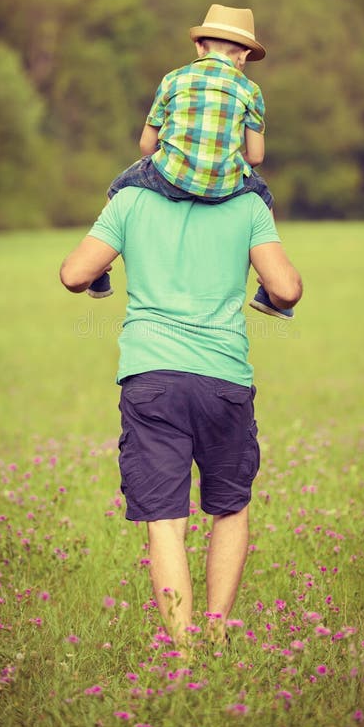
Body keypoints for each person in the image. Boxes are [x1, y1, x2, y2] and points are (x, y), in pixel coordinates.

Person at [60, 185, 302, 650]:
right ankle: (215, 634)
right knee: (230, 509)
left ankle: (184, 656)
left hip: (151, 378)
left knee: (166, 521)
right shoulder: (249, 205)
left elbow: (74, 274)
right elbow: (286, 290)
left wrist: (103, 268)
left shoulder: (128, 200)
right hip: (223, 380)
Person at [87, 3, 292, 320]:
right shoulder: (251, 90)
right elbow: (257, 156)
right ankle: (267, 288)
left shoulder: (172, 79)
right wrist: (224, 160)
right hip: (224, 184)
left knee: (118, 187)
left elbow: (146, 145)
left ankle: (99, 270)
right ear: (244, 56)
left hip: (169, 176)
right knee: (263, 197)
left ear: (199, 46)